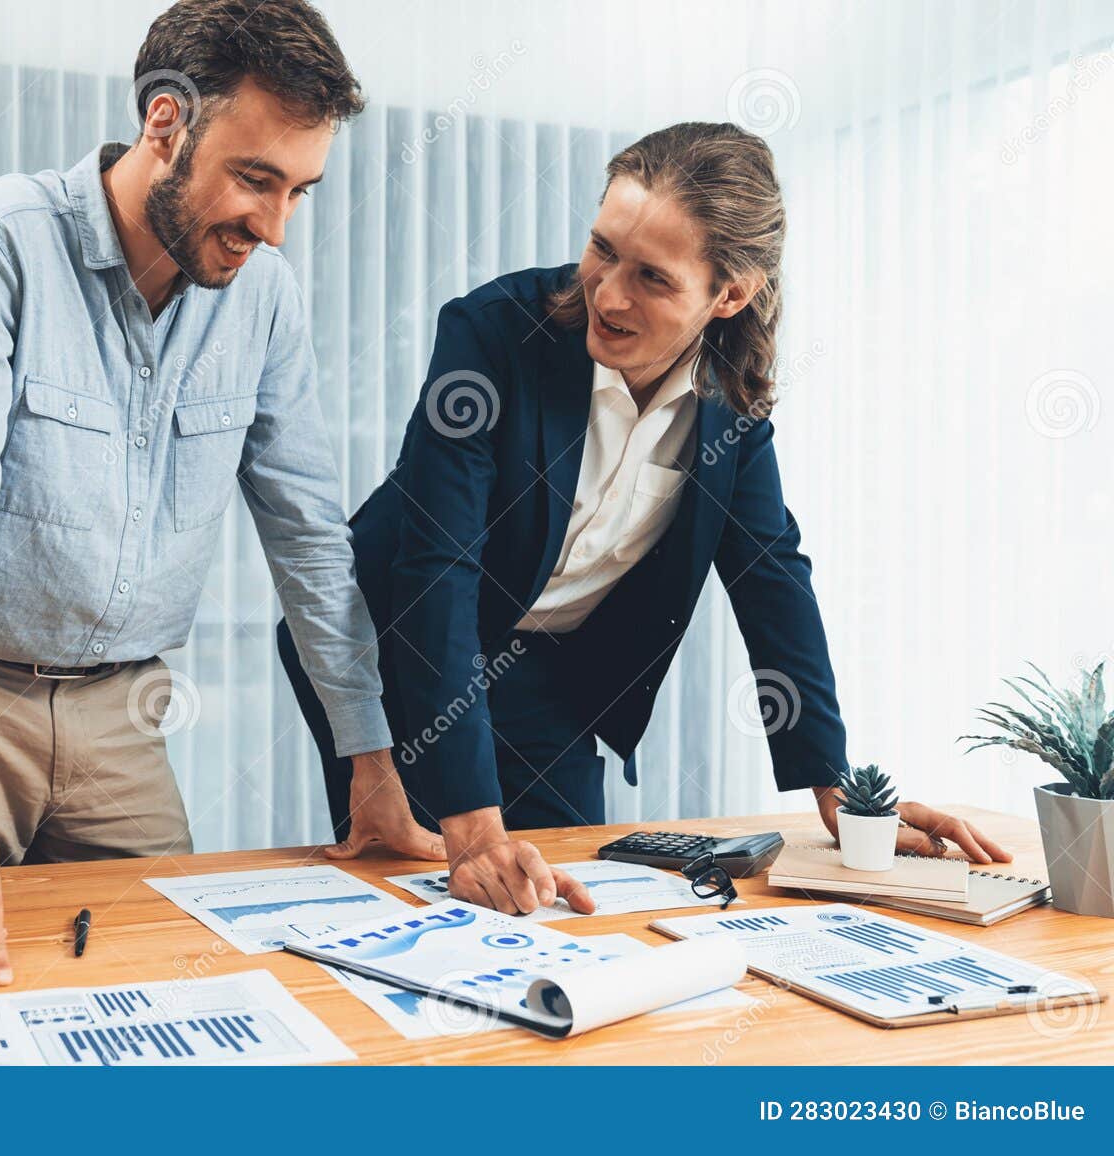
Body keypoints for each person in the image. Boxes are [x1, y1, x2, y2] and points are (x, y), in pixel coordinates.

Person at [0, 0, 442, 995]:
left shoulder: (266, 294)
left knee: (164, 995)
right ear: (166, 122)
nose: (273, 224)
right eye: (254, 179)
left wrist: (369, 758)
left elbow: (308, 539)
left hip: (125, 714)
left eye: (298, 190)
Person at [278, 122, 1009, 917]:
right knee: (431, 891)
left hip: (544, 664)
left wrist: (840, 793)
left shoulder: (729, 399)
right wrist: (474, 827)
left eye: (653, 278)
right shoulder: (491, 336)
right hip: (398, 640)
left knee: (566, 896)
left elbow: (769, 573)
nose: (608, 293)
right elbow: (438, 569)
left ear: (729, 295)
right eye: (603, 250)